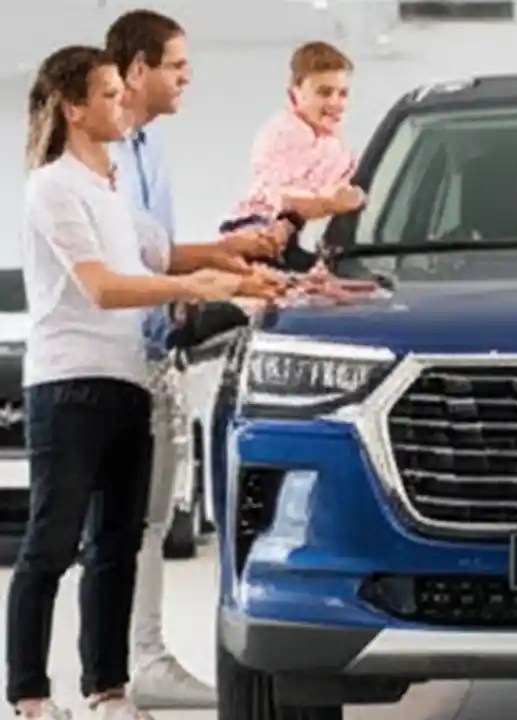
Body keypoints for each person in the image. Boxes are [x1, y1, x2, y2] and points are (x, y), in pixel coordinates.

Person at [3, 44, 248, 720]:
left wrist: (256, 270)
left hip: (125, 382)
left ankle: (108, 691)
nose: (123, 104)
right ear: (74, 107)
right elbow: (103, 285)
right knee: (52, 544)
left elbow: (162, 251)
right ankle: (29, 694)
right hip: (69, 385)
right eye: (110, 95)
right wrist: (185, 285)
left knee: (115, 548)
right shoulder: (51, 185)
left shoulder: (110, 184)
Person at [102, 10, 282, 708]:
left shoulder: (149, 149)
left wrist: (220, 262)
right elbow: (130, 255)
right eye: (177, 66)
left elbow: (155, 247)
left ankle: (139, 660)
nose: (187, 79)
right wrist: (221, 270)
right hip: (111, 360)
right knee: (116, 525)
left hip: (153, 350)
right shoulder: (107, 152)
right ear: (138, 69)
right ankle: (117, 670)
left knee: (149, 520)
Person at [225, 40, 365, 272]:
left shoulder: (336, 147)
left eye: (342, 94)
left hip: (297, 235)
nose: (335, 102)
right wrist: (330, 202)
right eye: (324, 92)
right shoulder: (285, 131)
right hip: (257, 229)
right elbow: (279, 195)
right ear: (294, 94)